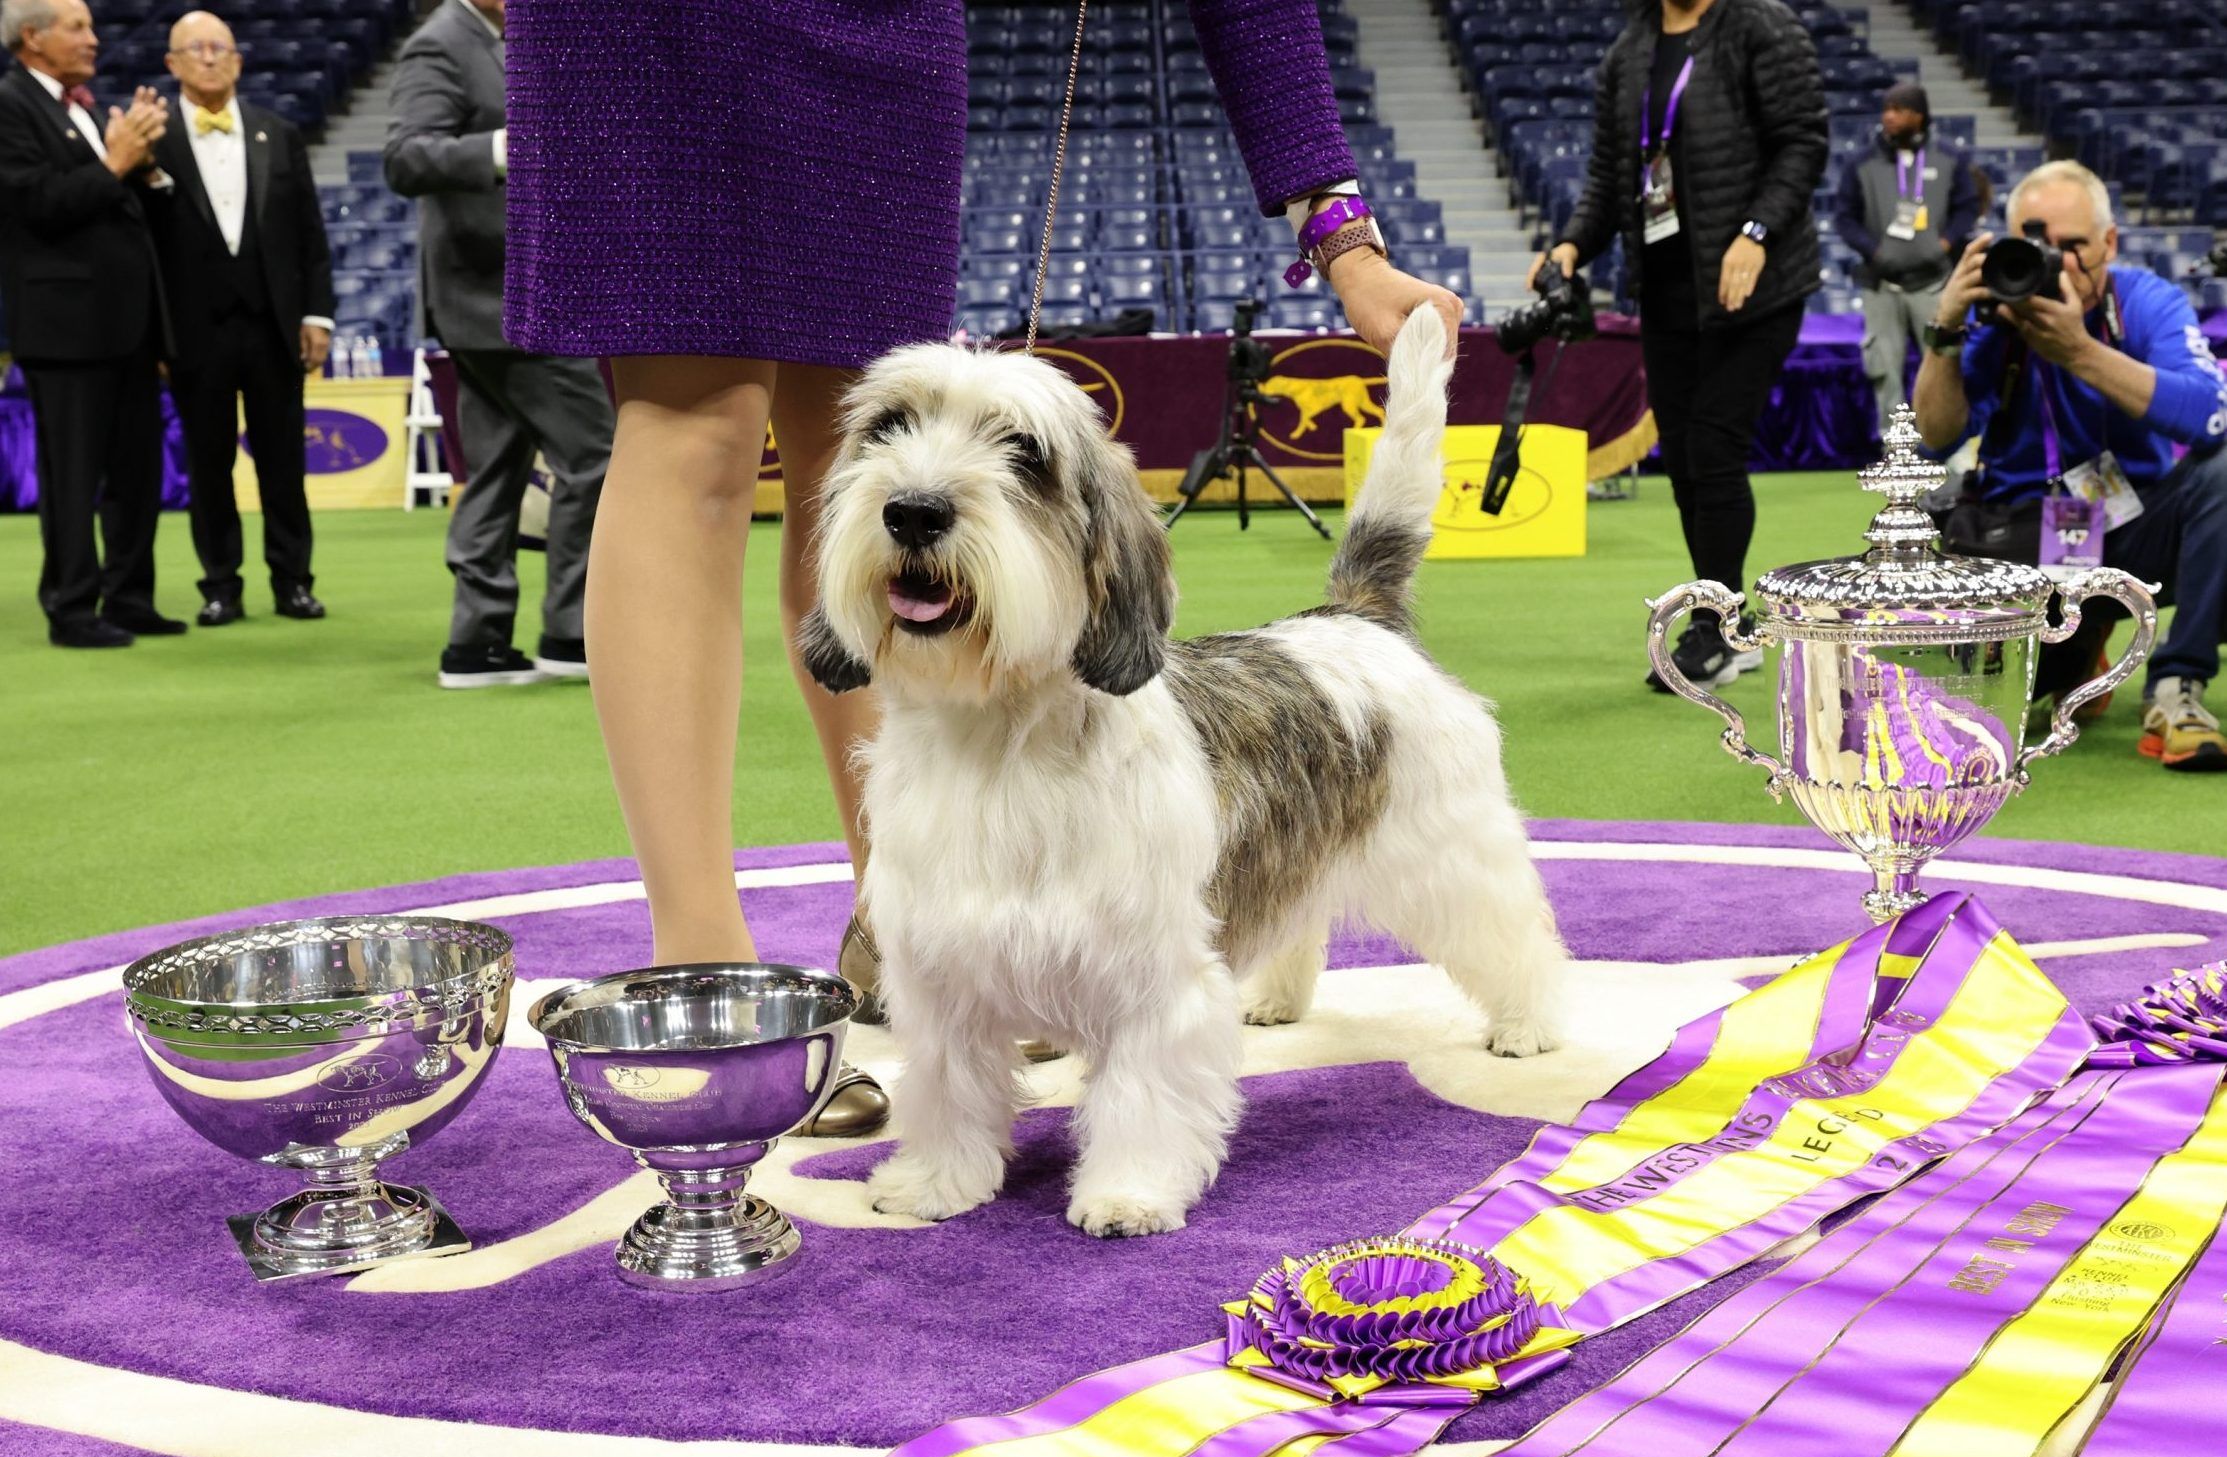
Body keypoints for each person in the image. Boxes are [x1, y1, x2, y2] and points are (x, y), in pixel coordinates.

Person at [500, 0, 1462, 998]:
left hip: (874, 34)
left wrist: (1341, 232)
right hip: (653, 32)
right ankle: (701, 972)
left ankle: (909, 923)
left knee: (864, 437)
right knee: (697, 429)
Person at [1533, 0, 1828, 693]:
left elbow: (1801, 142)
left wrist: (1755, 233)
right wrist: (1574, 242)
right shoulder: (1628, 49)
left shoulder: (1761, 24)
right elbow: (1610, 176)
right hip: (1667, 291)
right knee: (1685, 467)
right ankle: (1728, 621)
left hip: (1753, 286)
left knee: (1714, 448)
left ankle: (1716, 629)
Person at [1915, 160, 2227, 773]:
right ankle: (2078, 655)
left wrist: (2080, 351)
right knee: (1986, 707)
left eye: (2073, 246)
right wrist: (1946, 326)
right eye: (2036, 246)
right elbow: (1932, 437)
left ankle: (2175, 685)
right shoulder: (1995, 318)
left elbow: (2210, 413)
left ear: (2109, 243)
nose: (2053, 264)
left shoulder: (2143, 301)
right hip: (2021, 541)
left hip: (2134, 527)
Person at [384, 0, 609, 690]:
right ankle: (570, 630)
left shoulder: (502, 38)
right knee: (597, 453)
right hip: (495, 297)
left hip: (501, 296)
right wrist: (500, 148)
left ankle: (476, 641)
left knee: (498, 467)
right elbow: (404, 156)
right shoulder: (441, 43)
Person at [0, 0, 178, 649]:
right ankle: (72, 607)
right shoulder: (12, 103)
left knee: (135, 470)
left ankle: (129, 596)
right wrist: (113, 162)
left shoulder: (80, 103)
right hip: (64, 328)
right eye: (77, 26)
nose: (93, 38)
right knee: (74, 476)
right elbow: (34, 205)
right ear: (32, 36)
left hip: (125, 323)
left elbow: (117, 206)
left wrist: (146, 168)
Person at [149, 9, 333, 627]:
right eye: (195, 48)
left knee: (285, 461)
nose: (209, 56)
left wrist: (318, 316)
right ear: (171, 63)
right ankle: (220, 585)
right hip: (191, 332)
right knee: (209, 464)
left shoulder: (277, 133)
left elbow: (310, 234)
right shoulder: (150, 138)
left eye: (219, 47)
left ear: (239, 60)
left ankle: (294, 581)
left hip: (274, 325)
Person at [1831, 82, 1979, 439]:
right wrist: (1874, 251)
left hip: (1934, 282)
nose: (1889, 116)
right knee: (1884, 369)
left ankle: (1946, 445)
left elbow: (1968, 207)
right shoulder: (1861, 162)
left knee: (1945, 362)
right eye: (1886, 109)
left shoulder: (1949, 158)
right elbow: (1844, 217)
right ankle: (1894, 448)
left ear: (1920, 115)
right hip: (1882, 284)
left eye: (1899, 109)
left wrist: (1944, 244)